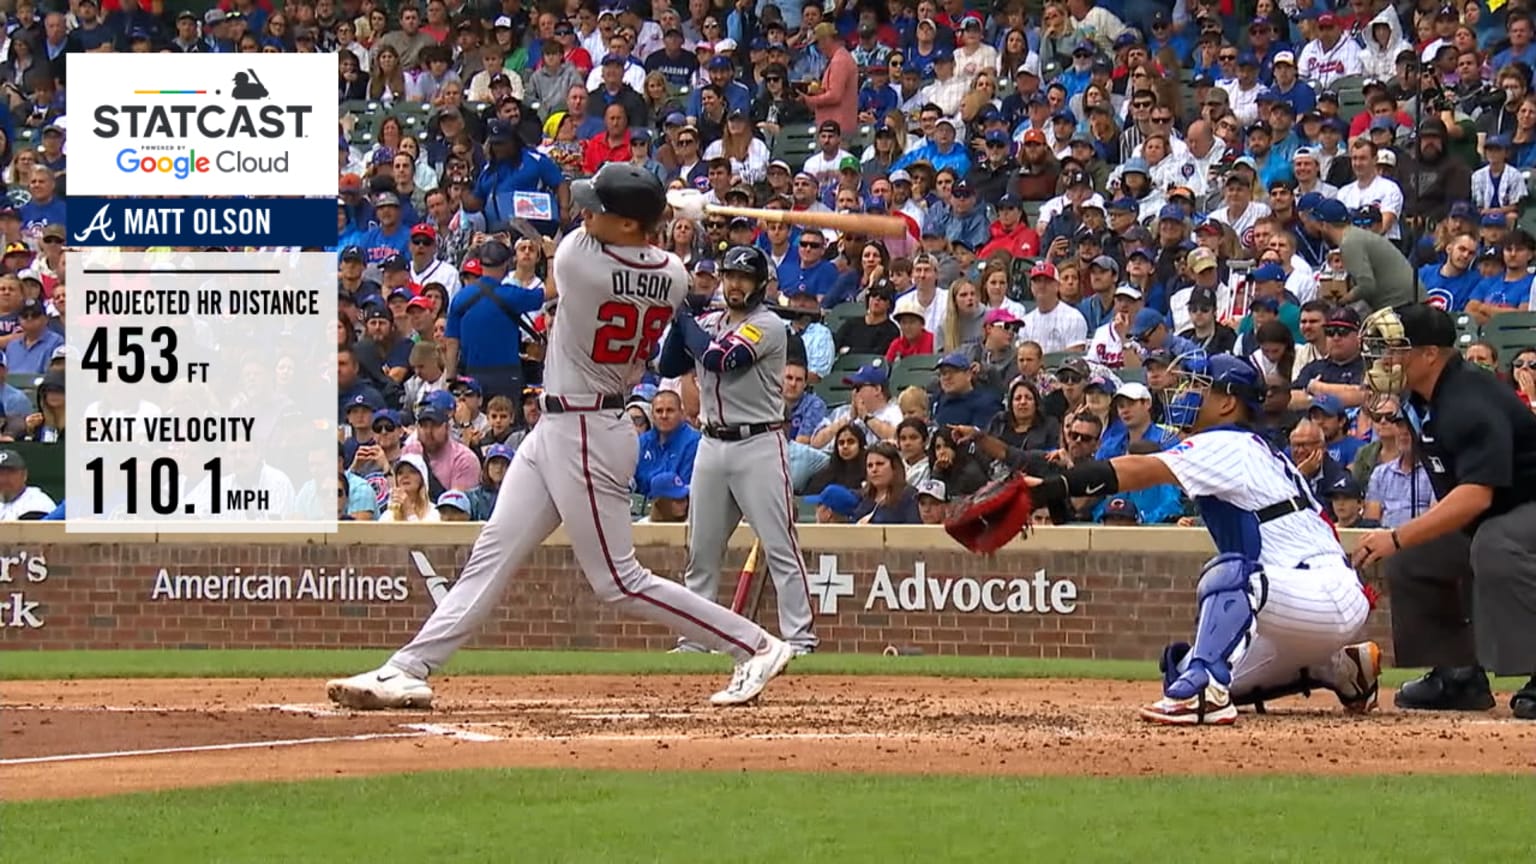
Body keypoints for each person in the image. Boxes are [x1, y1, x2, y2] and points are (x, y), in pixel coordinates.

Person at [327, 164, 794, 711]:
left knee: (618, 580)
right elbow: (653, 252)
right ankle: (409, 667)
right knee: (492, 552)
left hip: (588, 431)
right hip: (559, 425)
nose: (587, 213)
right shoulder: (671, 274)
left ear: (628, 223)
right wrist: (670, 216)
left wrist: (664, 211)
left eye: (601, 209)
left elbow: (590, 233)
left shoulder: (580, 261)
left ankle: (754, 645)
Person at [956, 353, 1379, 725]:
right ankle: (1338, 668)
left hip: (1320, 589)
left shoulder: (1228, 441)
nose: (1185, 395)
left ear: (1228, 403)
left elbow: (1138, 470)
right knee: (1184, 672)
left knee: (1229, 578)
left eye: (1200, 388)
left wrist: (1048, 490)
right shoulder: (1249, 448)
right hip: (1304, 603)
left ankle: (1205, 691)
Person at [1352, 305, 1536, 720]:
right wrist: (1404, 541)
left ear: (1430, 354)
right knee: (1415, 556)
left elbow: (1476, 496)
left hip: (1524, 505)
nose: (1386, 360)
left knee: (1495, 544)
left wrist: (1395, 535)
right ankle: (1458, 676)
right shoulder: (1421, 399)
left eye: (1396, 350)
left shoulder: (1469, 398)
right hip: (1505, 507)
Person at [659, 245, 817, 656]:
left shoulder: (768, 325)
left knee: (780, 546)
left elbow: (721, 359)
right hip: (711, 443)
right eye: (730, 276)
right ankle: (695, 639)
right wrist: (682, 320)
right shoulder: (710, 321)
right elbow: (668, 365)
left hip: (758, 443)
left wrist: (682, 315)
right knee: (701, 552)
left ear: (760, 285)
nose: (735, 284)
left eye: (744, 278)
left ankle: (800, 639)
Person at [1306, 198, 1420, 312]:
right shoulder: (1354, 236)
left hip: (1404, 306)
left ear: (1324, 224)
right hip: (1407, 302)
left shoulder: (1350, 242)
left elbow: (1366, 286)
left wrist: (1340, 301)